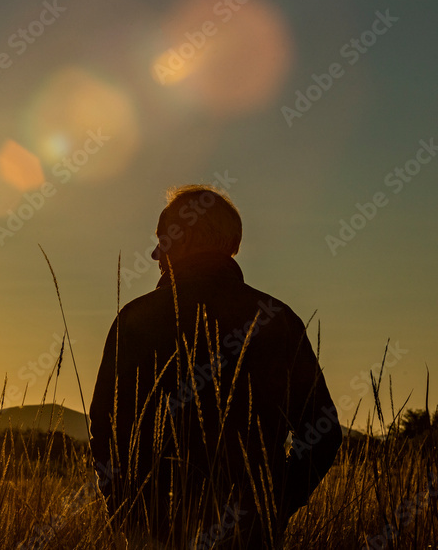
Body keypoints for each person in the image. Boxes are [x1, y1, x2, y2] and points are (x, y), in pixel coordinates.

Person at [89, 185, 341, 548]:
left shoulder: (137, 319)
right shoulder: (275, 318)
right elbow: (323, 432)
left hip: (156, 534)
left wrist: (130, 514)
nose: (154, 252)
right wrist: (272, 506)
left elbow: (108, 430)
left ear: (186, 237)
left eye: (163, 238)